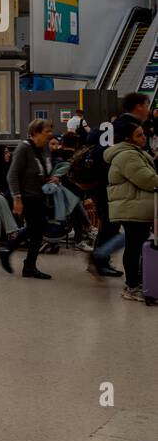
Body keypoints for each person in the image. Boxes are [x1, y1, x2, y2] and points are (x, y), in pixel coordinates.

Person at [88, 92, 154, 276]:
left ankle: (100, 258)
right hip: (115, 184)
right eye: (147, 105)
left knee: (112, 224)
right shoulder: (127, 125)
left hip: (107, 182)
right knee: (114, 225)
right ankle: (100, 259)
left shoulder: (114, 124)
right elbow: (125, 158)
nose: (148, 110)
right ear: (139, 106)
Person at [103, 114, 158, 302]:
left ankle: (137, 282)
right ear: (127, 138)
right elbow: (147, 180)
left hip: (136, 207)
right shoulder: (127, 155)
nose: (144, 138)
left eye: (143, 134)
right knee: (134, 247)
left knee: (136, 246)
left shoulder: (135, 152)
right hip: (132, 209)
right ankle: (132, 285)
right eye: (139, 135)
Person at [0, 119, 56, 280]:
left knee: (37, 230)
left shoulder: (44, 148)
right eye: (47, 132)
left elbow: (44, 169)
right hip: (27, 196)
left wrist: (51, 178)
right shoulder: (23, 148)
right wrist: (17, 198)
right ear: (35, 133)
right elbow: (12, 175)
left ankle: (25, 263)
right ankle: (13, 254)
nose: (50, 135)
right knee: (35, 228)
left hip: (41, 195)